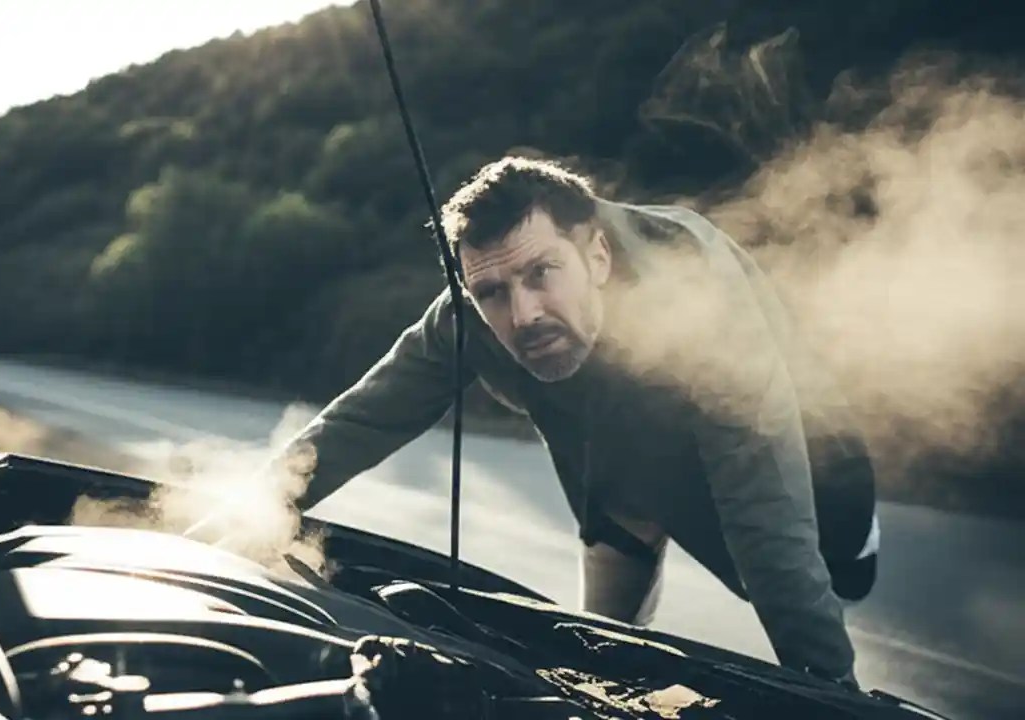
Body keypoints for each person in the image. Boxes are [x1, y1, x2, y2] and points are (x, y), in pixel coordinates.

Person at [267, 155, 880, 686]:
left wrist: (835, 694)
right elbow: (353, 426)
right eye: (494, 293)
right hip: (625, 487)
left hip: (820, 491)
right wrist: (223, 526)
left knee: (803, 589)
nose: (523, 313)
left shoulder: (696, 295)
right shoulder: (468, 311)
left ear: (600, 257)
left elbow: (767, 520)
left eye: (541, 275)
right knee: (591, 654)